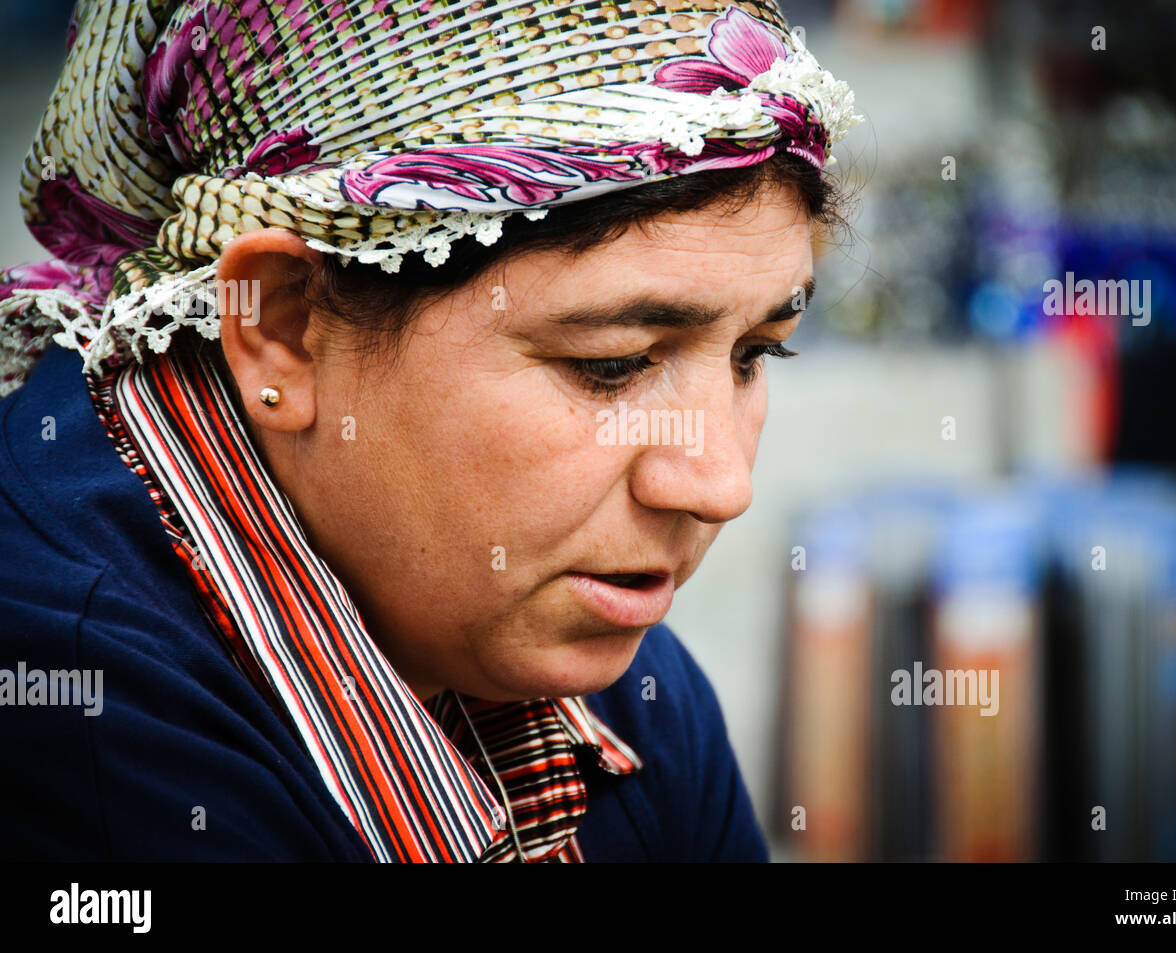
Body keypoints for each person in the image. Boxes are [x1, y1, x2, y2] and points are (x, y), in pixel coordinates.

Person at [0, 0, 860, 862]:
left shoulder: (620, 688)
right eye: (611, 365)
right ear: (283, 328)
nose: (720, 484)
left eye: (756, 355)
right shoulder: (73, 727)